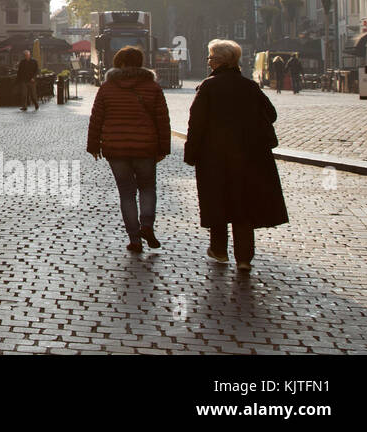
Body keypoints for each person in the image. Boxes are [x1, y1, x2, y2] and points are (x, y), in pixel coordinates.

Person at [184, 39, 288, 271]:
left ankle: (219, 250)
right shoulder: (250, 86)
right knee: (243, 207)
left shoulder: (208, 86)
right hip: (249, 156)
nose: (209, 61)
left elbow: (196, 124)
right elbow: (270, 114)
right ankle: (244, 258)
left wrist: (191, 153)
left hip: (215, 156)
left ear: (220, 61)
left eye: (211, 57)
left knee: (218, 202)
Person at [87, 46, 171, 253]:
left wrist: (93, 145)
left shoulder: (106, 88)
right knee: (148, 188)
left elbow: (96, 118)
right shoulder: (153, 87)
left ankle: (134, 239)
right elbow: (162, 120)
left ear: (119, 63)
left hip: (116, 148)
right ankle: (147, 226)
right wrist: (164, 148)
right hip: (146, 147)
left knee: (126, 193)